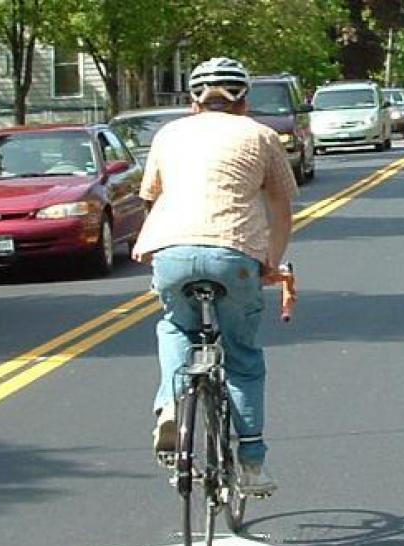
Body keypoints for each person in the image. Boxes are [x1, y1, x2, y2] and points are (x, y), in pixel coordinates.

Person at [132, 57, 296, 496]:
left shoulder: (168, 135)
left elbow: (151, 199)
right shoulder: (261, 136)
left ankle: (170, 403)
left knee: (175, 325)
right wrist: (272, 263)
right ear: (244, 100)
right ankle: (252, 464)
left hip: (171, 249)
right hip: (235, 252)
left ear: (193, 100)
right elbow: (281, 210)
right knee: (242, 357)